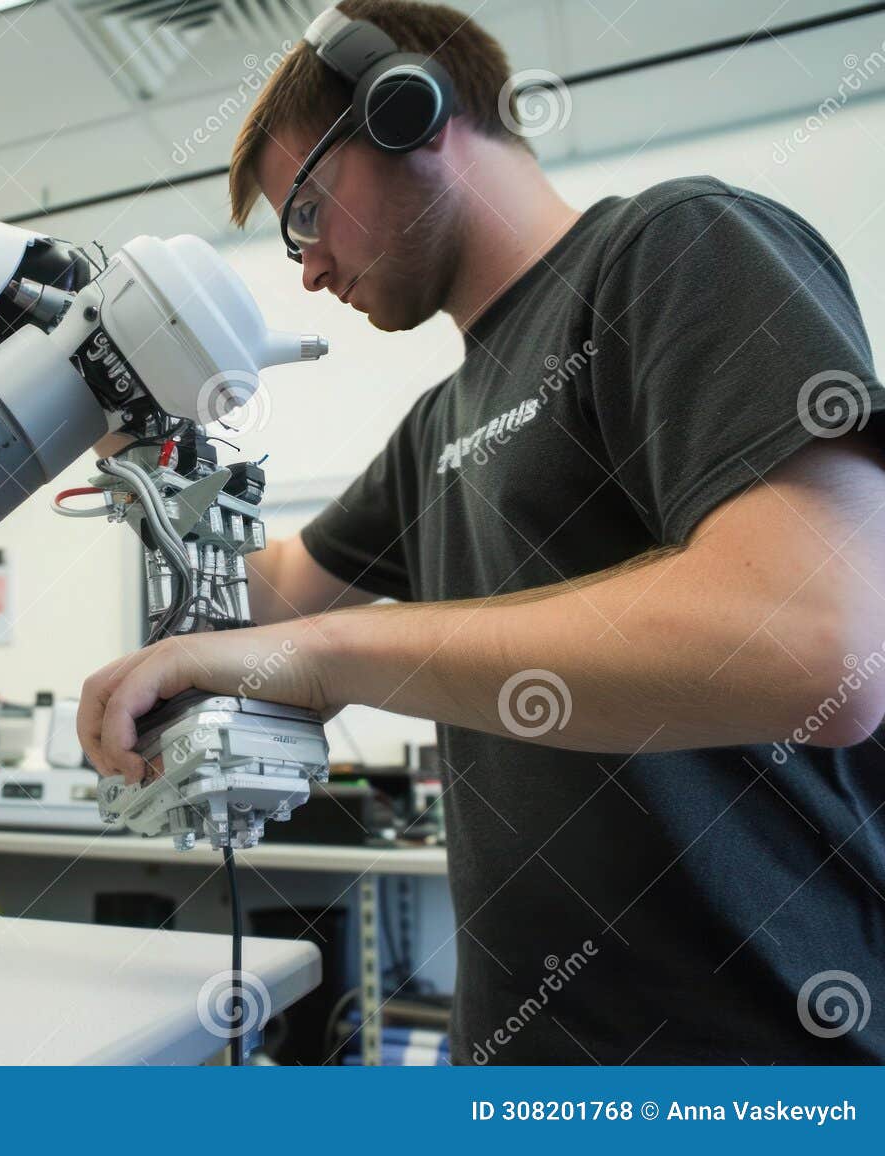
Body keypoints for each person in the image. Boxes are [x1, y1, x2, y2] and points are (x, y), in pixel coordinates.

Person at [76, 0, 885, 1063]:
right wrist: (134, 432)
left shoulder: (671, 248)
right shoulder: (440, 427)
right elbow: (262, 603)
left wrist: (327, 661)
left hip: (750, 1061)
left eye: (308, 214)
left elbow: (814, 643)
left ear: (410, 111)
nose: (308, 269)